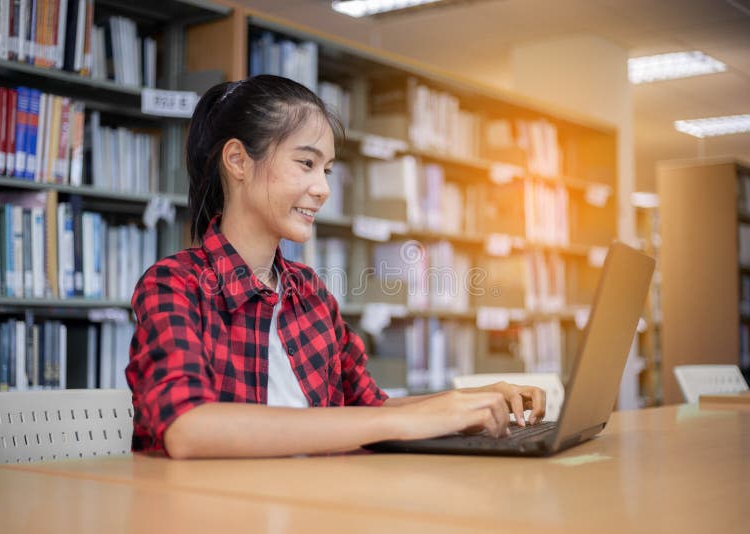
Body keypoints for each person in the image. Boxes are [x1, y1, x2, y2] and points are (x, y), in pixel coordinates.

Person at [126, 74, 546, 459]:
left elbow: (370, 409)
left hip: (315, 500)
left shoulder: (309, 292)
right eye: (306, 163)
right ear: (237, 160)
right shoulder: (174, 284)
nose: (323, 189)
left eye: (326, 170)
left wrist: (470, 403)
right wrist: (406, 420)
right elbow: (188, 429)